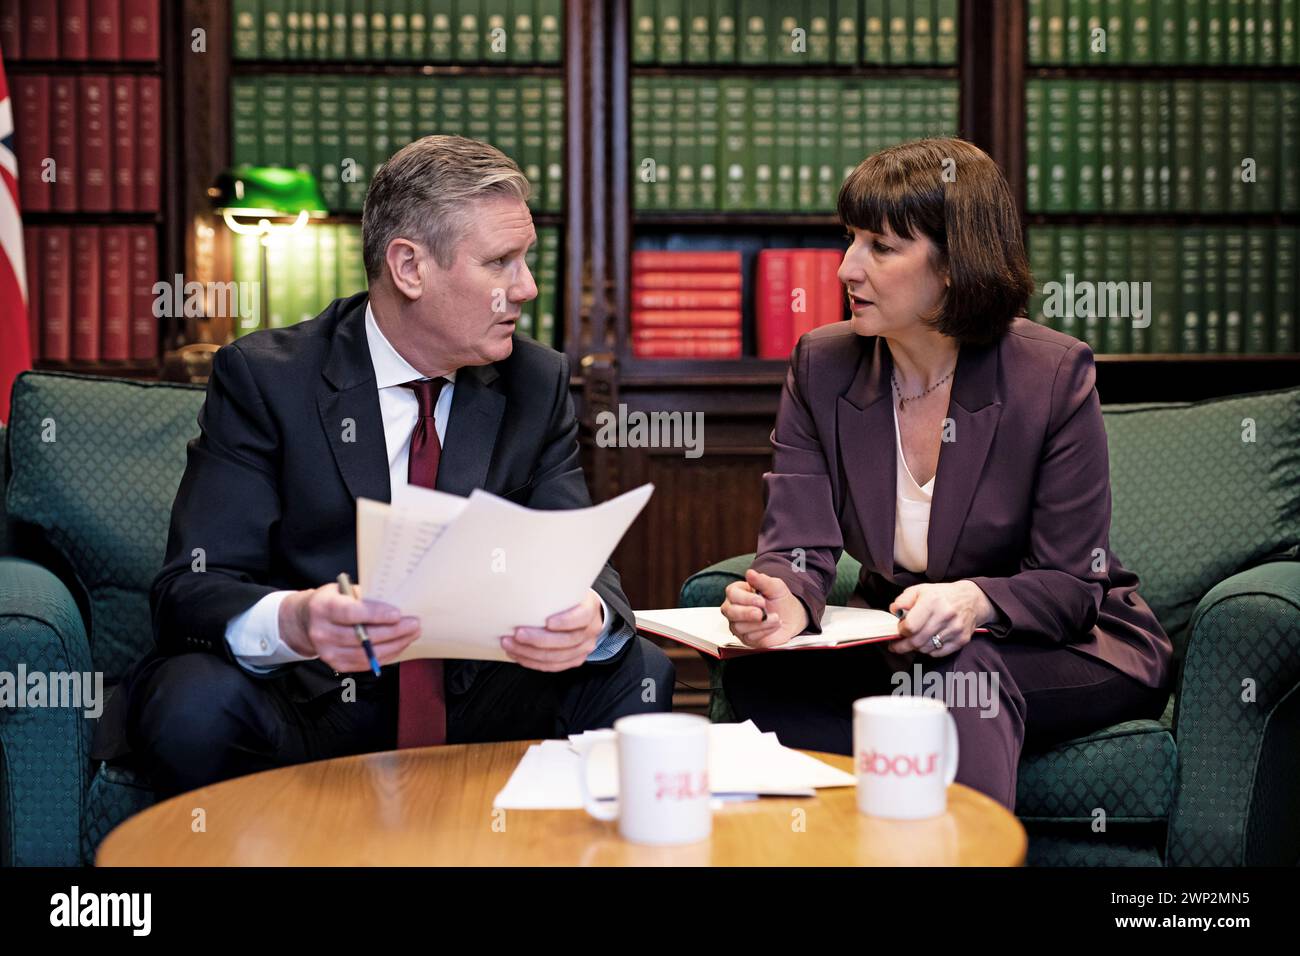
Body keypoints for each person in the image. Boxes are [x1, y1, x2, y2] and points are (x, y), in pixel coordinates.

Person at [92, 135, 673, 797]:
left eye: (526, 260)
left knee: (638, 669)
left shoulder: (533, 383)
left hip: (473, 698)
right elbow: (191, 590)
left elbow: (579, 557)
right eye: (501, 262)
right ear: (409, 267)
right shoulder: (266, 380)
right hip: (310, 702)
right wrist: (299, 620)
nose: (528, 288)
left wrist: (587, 617)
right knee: (190, 702)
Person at [718, 137, 1172, 812]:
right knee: (763, 673)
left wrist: (971, 602)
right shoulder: (822, 363)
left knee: (961, 672)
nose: (846, 268)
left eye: (880, 245)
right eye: (850, 239)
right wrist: (782, 598)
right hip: (899, 638)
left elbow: (1072, 583)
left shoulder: (1050, 375)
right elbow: (799, 541)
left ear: (957, 265)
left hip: (1062, 642)